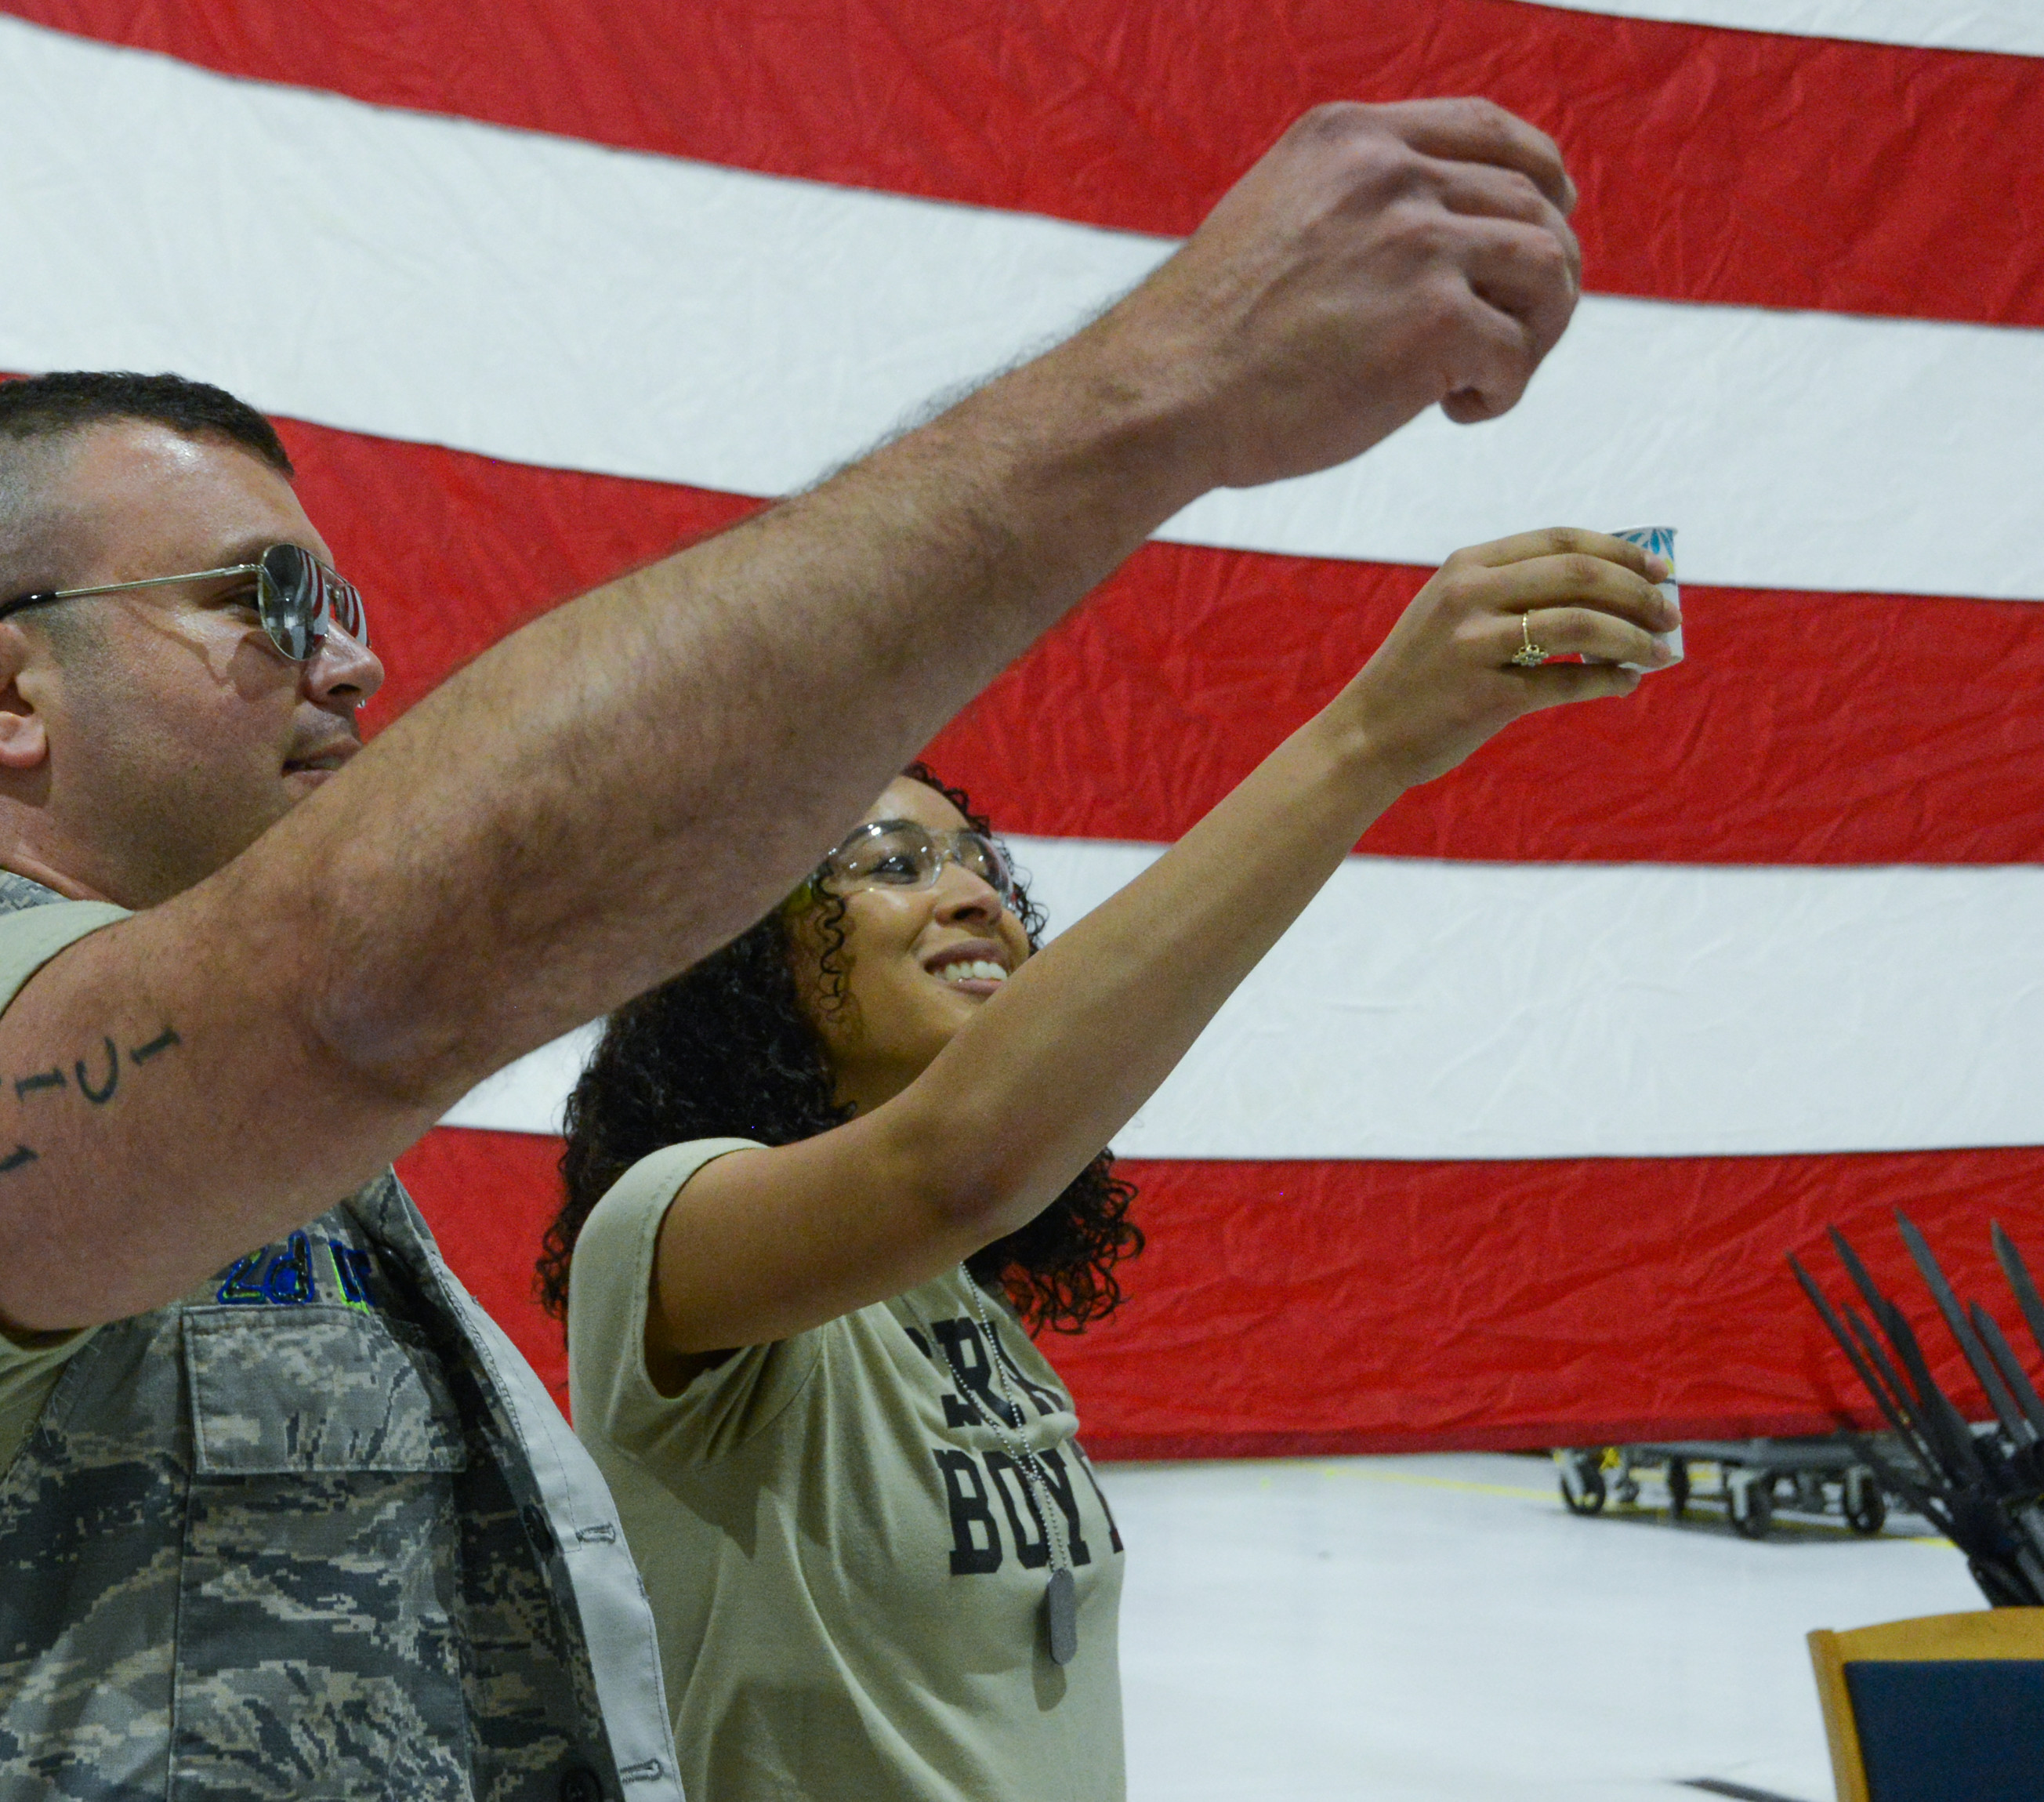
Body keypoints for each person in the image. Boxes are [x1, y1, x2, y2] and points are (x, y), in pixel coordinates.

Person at [0, 99, 1588, 1800]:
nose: (352, 659)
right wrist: (1169, 386)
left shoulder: (273, 1170)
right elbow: (375, 967)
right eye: (267, 598)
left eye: (344, 601)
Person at [544, 528, 1678, 1802]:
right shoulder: (669, 1230)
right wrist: (1367, 741)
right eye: (895, 864)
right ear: (741, 954)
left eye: (981, 865)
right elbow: (958, 1161)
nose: (977, 897)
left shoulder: (962, 1303)